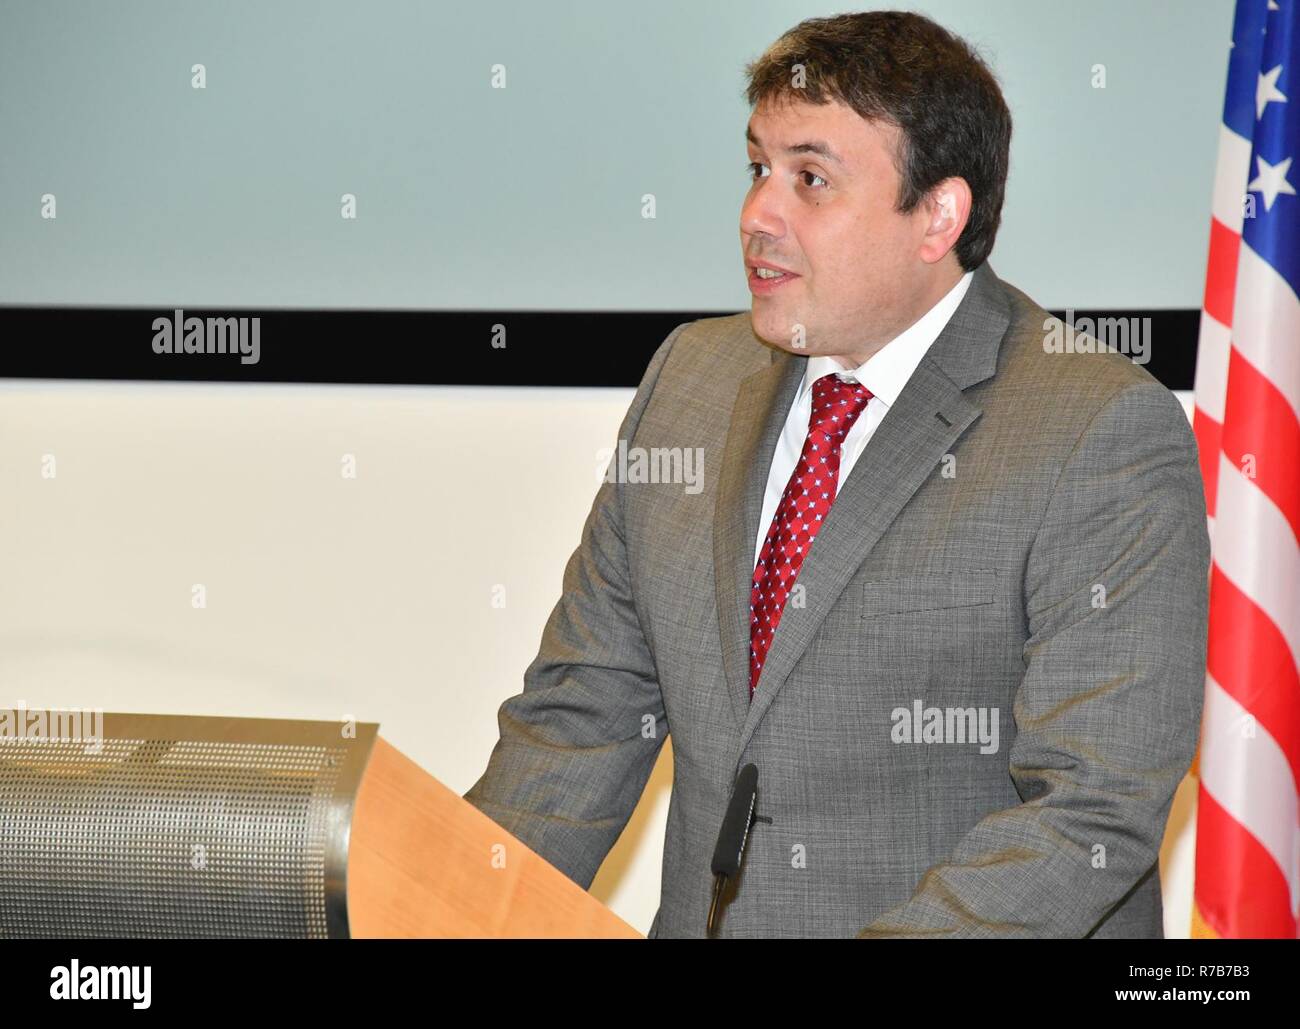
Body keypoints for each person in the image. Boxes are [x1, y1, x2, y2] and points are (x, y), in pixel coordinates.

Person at [464, 9, 1210, 938]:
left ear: (938, 215)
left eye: (810, 178)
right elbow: (582, 715)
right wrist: (448, 906)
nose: (755, 216)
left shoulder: (1096, 428)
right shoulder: (690, 382)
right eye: (757, 168)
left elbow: (1090, 806)